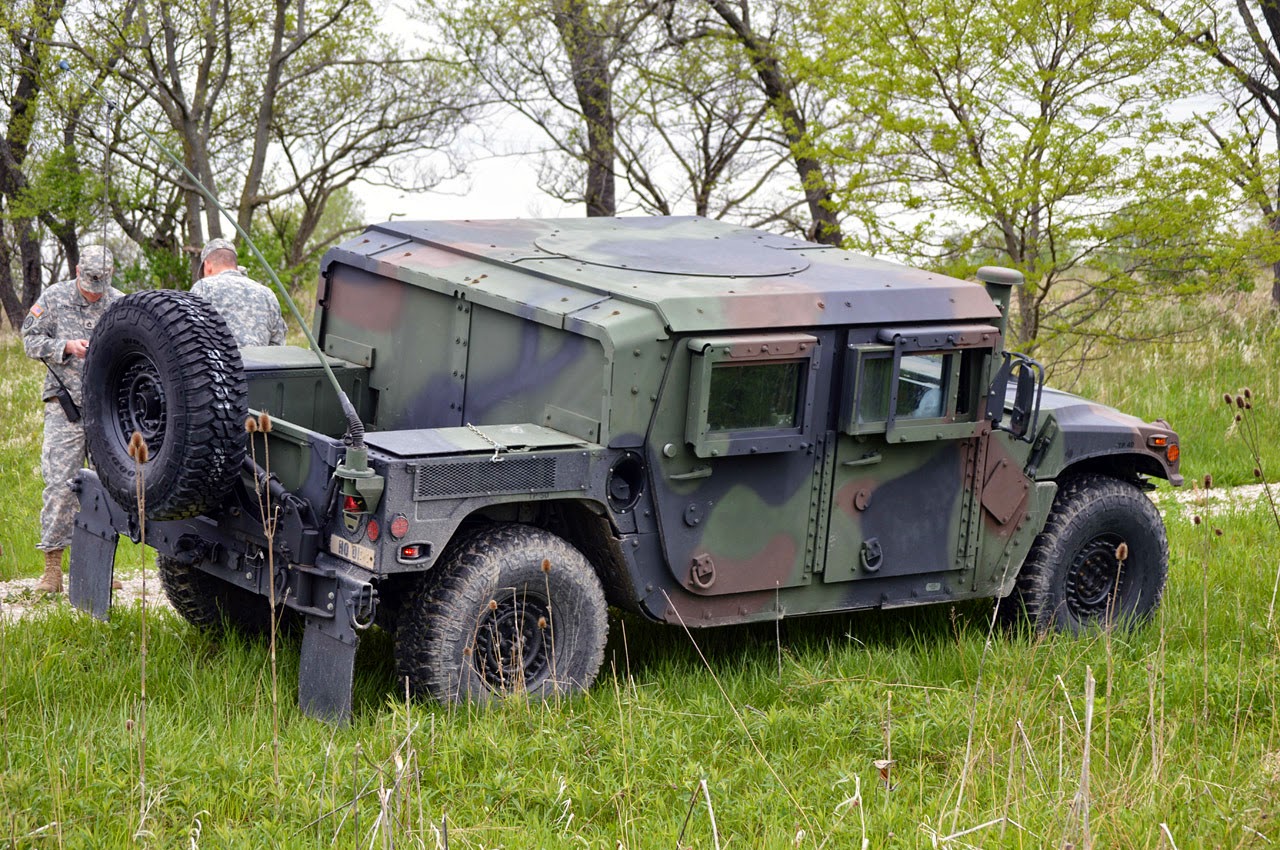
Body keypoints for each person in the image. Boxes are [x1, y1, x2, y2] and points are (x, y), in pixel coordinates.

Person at [21, 246, 124, 594]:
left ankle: (100, 568)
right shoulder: (54, 297)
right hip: (64, 406)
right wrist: (64, 346)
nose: (94, 290)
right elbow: (29, 339)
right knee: (61, 484)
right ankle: (52, 570)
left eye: (101, 284)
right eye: (89, 282)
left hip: (108, 409)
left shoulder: (119, 303)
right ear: (78, 270)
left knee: (107, 488)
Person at [190, 238, 286, 346]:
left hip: (222, 362)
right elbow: (278, 345)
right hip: (262, 362)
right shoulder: (267, 294)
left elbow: (191, 337)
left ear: (207, 266)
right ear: (235, 264)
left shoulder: (203, 287)